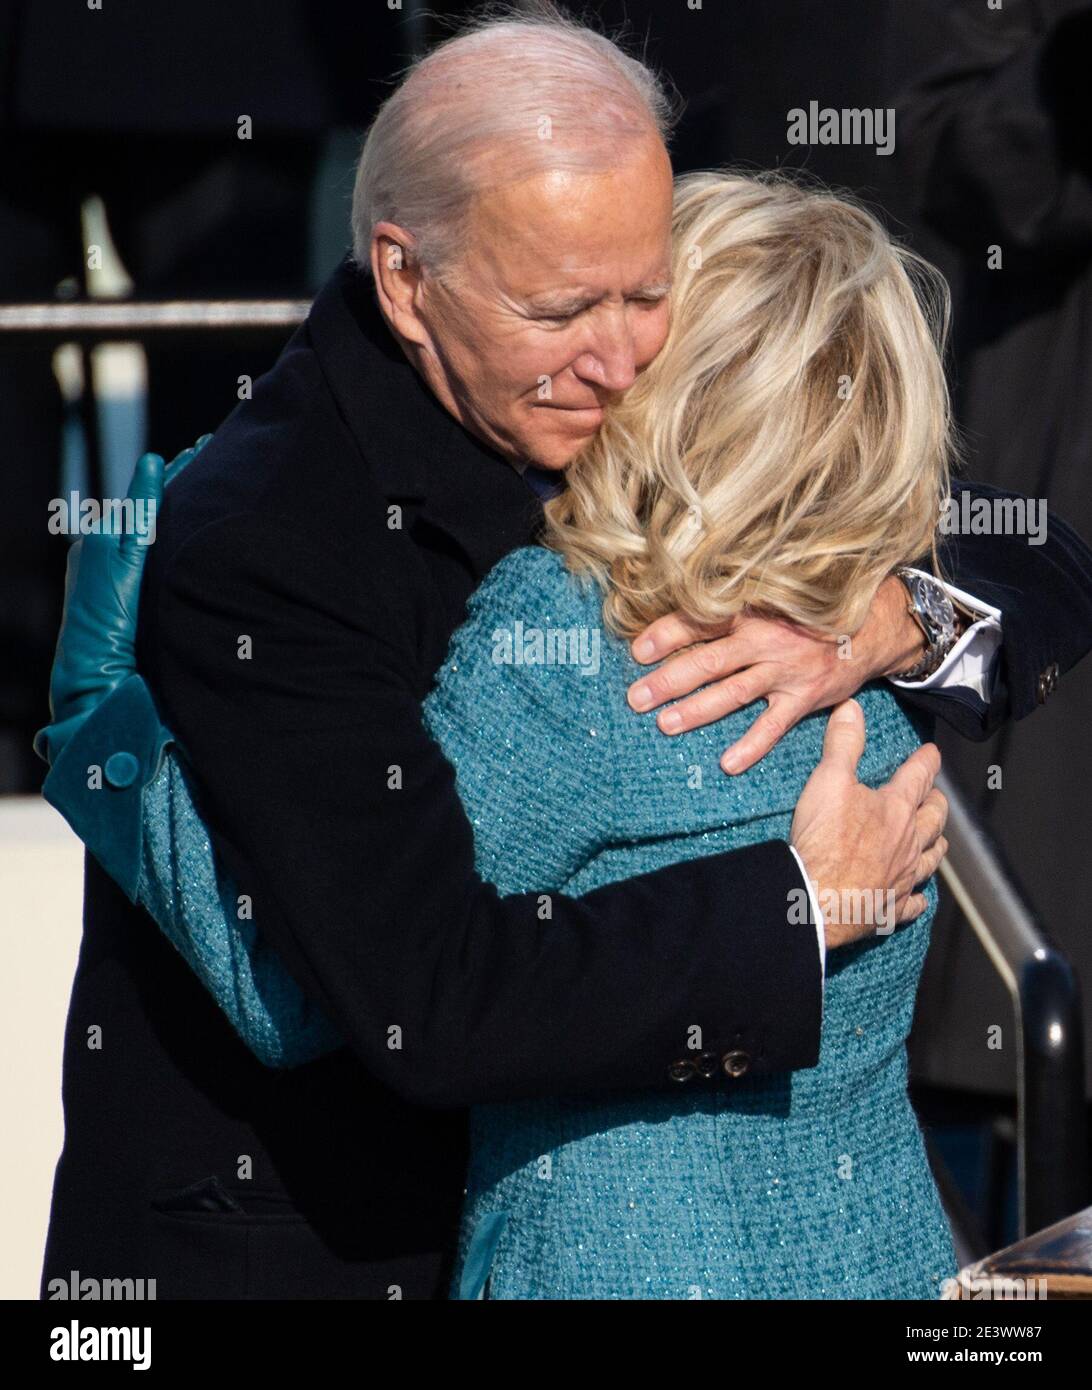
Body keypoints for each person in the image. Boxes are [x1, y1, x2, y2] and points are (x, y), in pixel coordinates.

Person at [35, 7, 1092, 1300]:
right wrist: (803, 899)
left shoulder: (633, 377)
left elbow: (1043, 564)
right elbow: (425, 989)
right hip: (308, 1238)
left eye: (648, 294)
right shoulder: (270, 539)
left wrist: (882, 619)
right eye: (562, 310)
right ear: (407, 280)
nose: (616, 358)